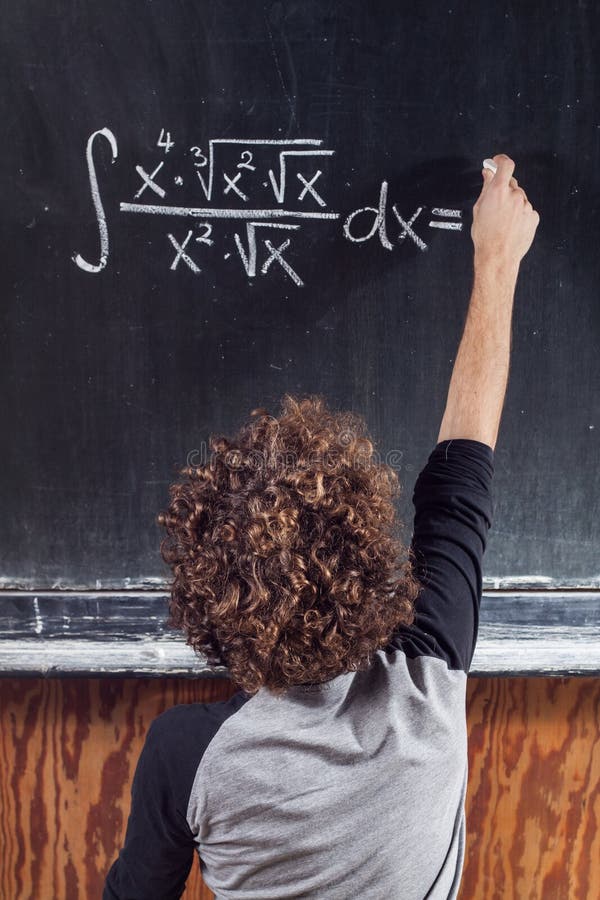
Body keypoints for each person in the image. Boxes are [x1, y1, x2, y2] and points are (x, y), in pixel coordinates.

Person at [103, 153, 539, 899]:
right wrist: (497, 261)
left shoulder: (188, 757)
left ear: (212, 610)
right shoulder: (427, 681)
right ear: (370, 560)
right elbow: (463, 469)